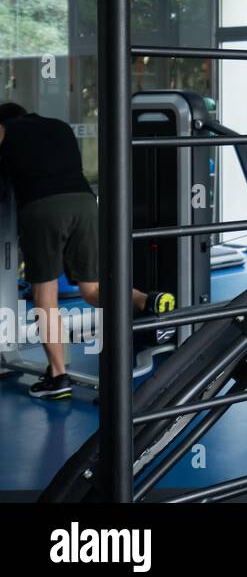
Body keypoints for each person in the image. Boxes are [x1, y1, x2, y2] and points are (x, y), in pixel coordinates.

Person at [0, 102, 173, 399]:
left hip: (43, 208)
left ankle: (57, 376)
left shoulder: (6, 129)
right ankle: (145, 300)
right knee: (92, 289)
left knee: (45, 295)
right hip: (84, 203)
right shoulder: (60, 126)